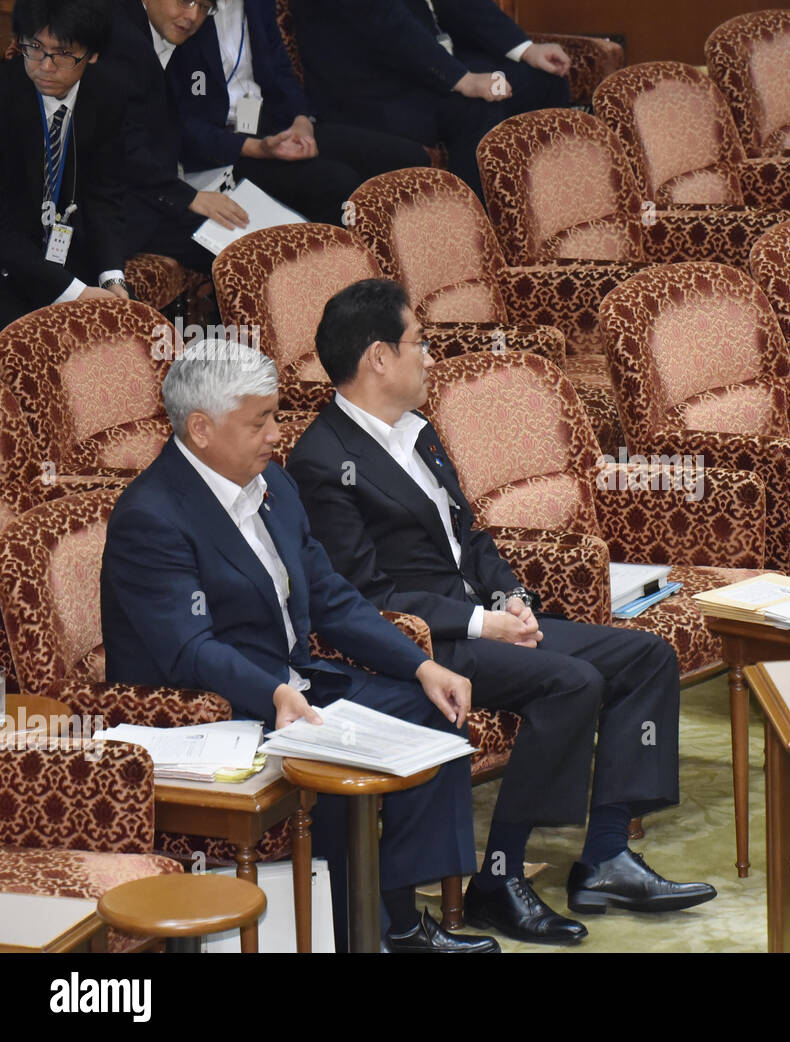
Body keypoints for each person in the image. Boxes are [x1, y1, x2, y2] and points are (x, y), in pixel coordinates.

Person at [285, 279, 717, 944]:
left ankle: (604, 856)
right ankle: (499, 875)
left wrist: (508, 594)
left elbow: (473, 538)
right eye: (417, 343)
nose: (430, 357)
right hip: (425, 645)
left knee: (645, 655)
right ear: (377, 358)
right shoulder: (323, 460)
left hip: (481, 619)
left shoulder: (419, 433)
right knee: (571, 682)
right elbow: (367, 595)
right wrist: (483, 624)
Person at [100, 340, 501, 953]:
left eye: (277, 415)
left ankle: (392, 917)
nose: (275, 433)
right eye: (259, 420)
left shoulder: (274, 484)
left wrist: (420, 664)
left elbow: (331, 597)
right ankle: (354, 931)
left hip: (297, 681)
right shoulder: (151, 516)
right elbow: (189, 648)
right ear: (200, 428)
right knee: (339, 771)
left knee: (436, 715)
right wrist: (274, 690)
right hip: (213, 706)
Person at [164, 0, 431, 224]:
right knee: (337, 182)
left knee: (409, 159)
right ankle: (349, 280)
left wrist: (302, 121)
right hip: (222, 150)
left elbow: (279, 66)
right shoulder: (184, 13)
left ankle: (413, 270)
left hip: (271, 124)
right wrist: (258, 148)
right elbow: (185, 126)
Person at [291, 0, 571, 198]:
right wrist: (463, 80)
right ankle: (478, 235)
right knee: (476, 109)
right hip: (372, 89)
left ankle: (550, 207)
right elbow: (385, 22)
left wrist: (525, 49)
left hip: (427, 66)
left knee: (545, 79)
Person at [0, 0, 129, 328]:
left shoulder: (108, 95)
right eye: (35, 47)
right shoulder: (5, 96)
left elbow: (104, 195)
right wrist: (74, 292)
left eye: (63, 54)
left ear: (93, 54)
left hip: (63, 252)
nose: (45, 66)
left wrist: (111, 277)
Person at [100, 0, 245, 276]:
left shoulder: (169, 32)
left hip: (159, 185)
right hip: (115, 207)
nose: (193, 16)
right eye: (185, 1)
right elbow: (115, 144)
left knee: (251, 240)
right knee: (240, 254)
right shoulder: (118, 38)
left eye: (204, 7)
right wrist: (186, 197)